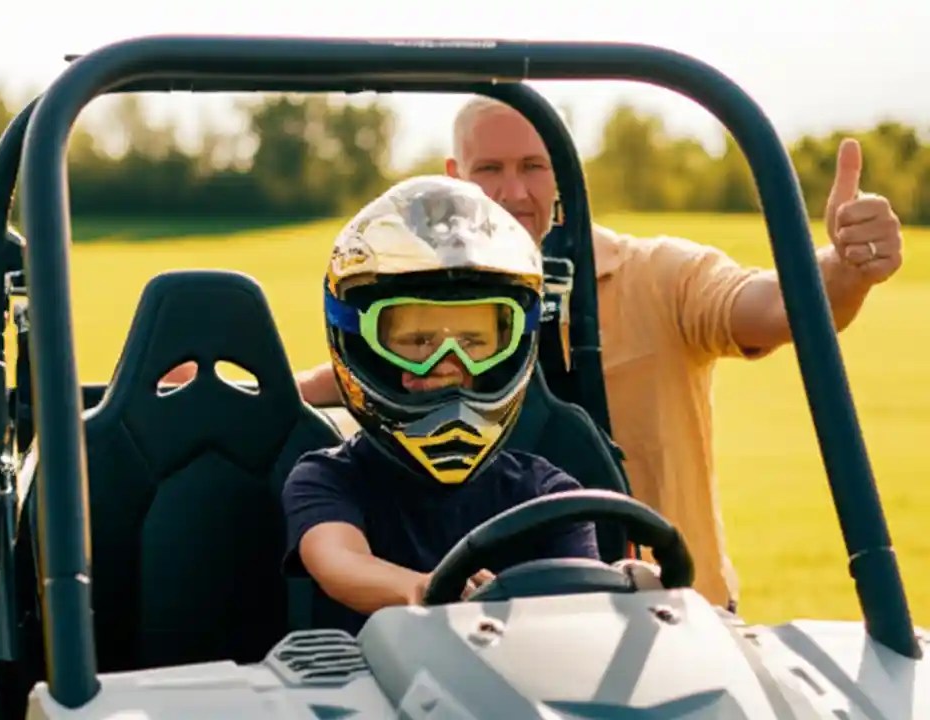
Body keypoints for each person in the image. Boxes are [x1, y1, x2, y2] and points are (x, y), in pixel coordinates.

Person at [280, 96, 908, 612]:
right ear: (456, 176)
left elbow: (773, 307)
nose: (513, 191)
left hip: (670, 618)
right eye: (490, 169)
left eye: (533, 166)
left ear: (563, 172)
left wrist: (843, 270)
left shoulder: (658, 277)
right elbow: (366, 373)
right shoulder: (413, 331)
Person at [277, 175, 607, 636]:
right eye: (418, 341)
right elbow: (339, 562)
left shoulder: (547, 492)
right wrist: (423, 590)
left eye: (473, 342)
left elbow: (584, 606)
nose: (449, 364)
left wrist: (627, 589)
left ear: (511, 345)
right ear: (364, 347)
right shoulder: (327, 478)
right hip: (364, 679)